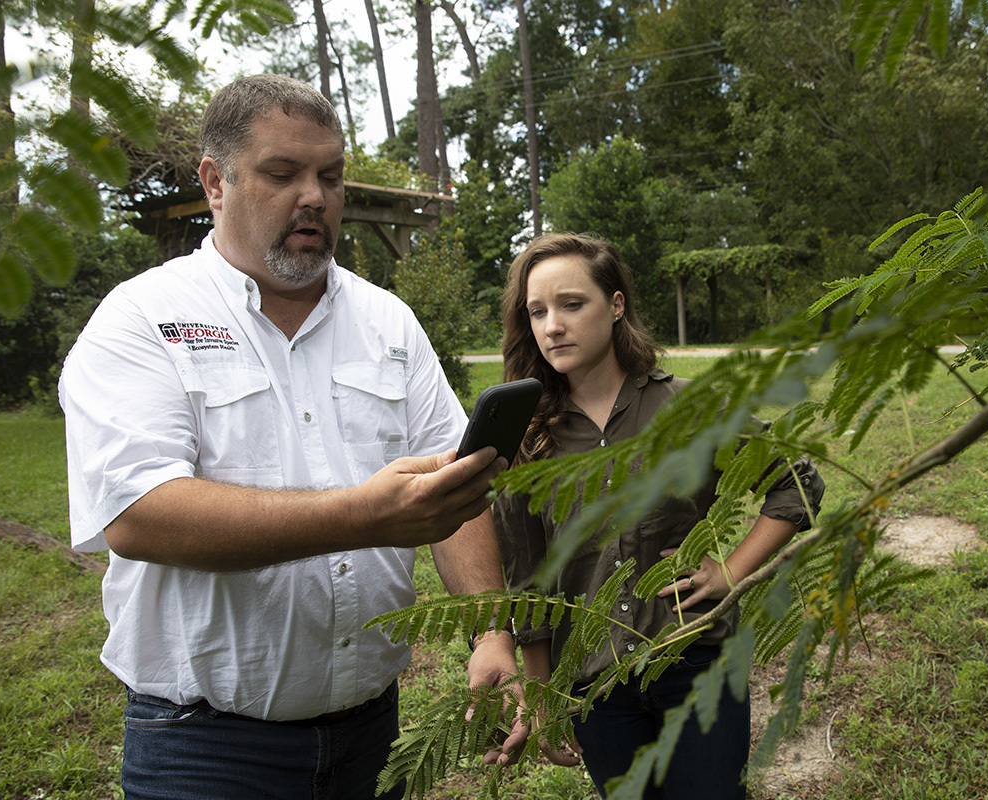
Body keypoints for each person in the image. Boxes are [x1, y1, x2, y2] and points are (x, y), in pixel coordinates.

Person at [59, 74, 521, 800]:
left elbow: (454, 484)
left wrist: (491, 631)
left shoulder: (387, 322)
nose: (314, 196)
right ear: (216, 181)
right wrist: (364, 514)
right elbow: (138, 514)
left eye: (330, 176)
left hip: (374, 737)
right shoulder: (143, 318)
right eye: (283, 173)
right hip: (202, 750)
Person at [488, 232, 825, 798]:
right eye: (537, 312)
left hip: (696, 663)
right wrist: (544, 697)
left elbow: (796, 484)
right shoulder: (527, 439)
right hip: (596, 684)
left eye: (572, 304)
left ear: (616, 305)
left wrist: (733, 570)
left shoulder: (693, 407)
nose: (552, 326)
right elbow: (530, 583)